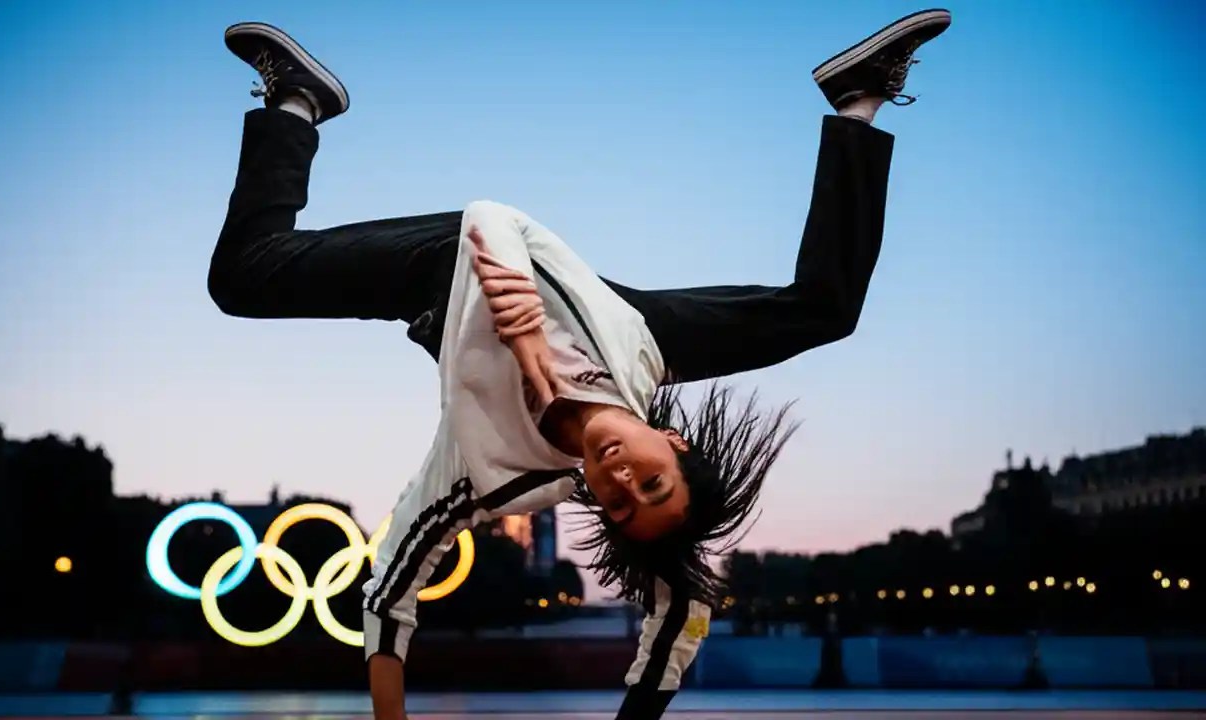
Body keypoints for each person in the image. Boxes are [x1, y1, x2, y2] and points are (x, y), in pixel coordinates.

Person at [207, 9, 951, 719]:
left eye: (619, 501)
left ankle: (298, 103)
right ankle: (860, 99)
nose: (623, 479)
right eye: (651, 478)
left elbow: (390, 593)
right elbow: (493, 216)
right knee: (826, 312)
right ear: (674, 441)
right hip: (618, 330)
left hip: (431, 279)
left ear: (592, 494)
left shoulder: (487, 477)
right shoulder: (633, 350)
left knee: (241, 278)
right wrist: (527, 335)